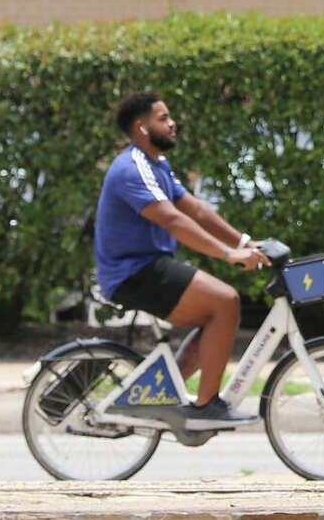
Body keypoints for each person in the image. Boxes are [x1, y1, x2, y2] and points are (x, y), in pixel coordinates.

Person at [95, 90, 266, 429]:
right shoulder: (132, 168)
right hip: (133, 272)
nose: (173, 124)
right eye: (163, 118)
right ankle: (205, 407)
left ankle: (164, 393)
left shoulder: (157, 164)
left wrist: (246, 241)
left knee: (217, 311)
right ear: (142, 128)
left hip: (148, 266)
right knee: (225, 302)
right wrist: (230, 255)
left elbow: (196, 210)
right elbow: (172, 220)